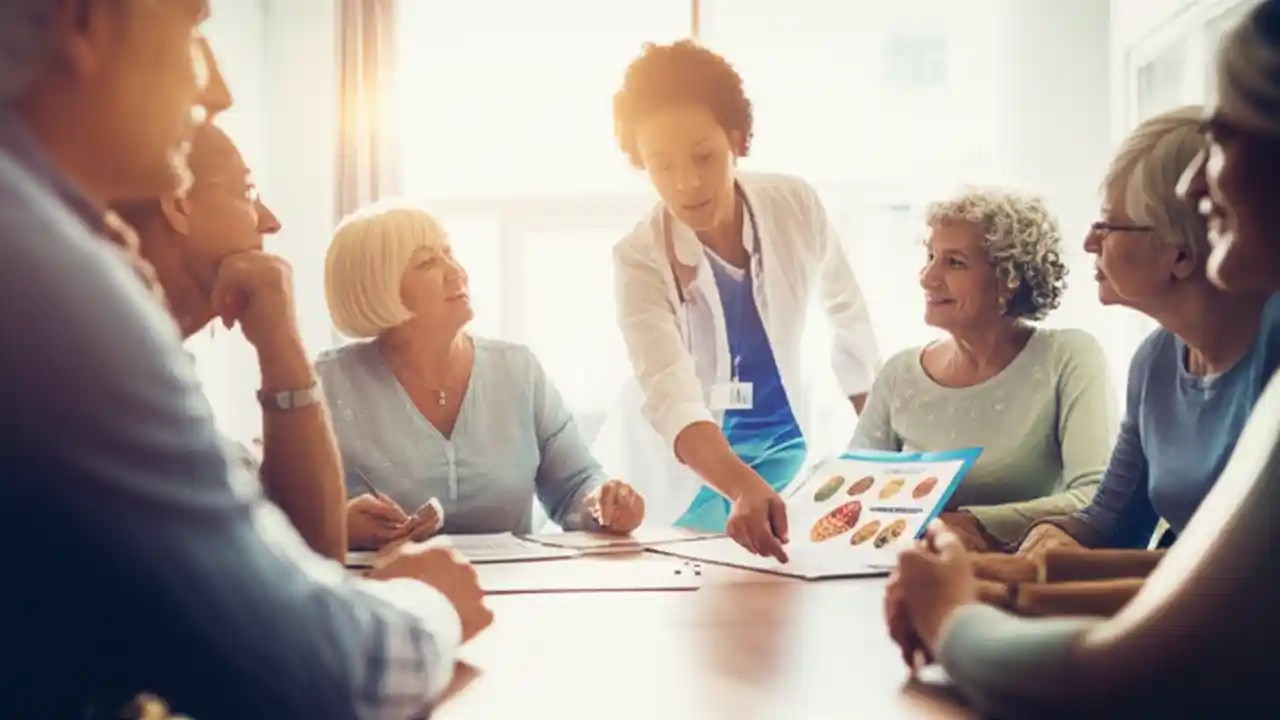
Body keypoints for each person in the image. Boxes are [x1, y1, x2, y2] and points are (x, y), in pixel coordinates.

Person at [0, 1, 489, 716]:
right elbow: (309, 673)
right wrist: (428, 602)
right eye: (192, 28)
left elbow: (275, 557)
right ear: (85, 24)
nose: (216, 90)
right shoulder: (40, 275)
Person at [884, 3, 1280, 716]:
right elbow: (1154, 557)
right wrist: (998, 583)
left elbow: (1125, 657)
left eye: (1226, 141)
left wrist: (958, 613)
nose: (1199, 184)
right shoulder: (1157, 359)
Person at [610, 40, 880, 561]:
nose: (685, 183)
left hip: (789, 452)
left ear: (737, 138)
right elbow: (671, 395)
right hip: (695, 474)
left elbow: (850, 323)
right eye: (660, 165)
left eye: (704, 156)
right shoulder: (639, 258)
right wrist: (738, 486)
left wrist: (885, 451)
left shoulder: (794, 205)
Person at [1018, 107, 1280, 562]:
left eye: (1108, 223)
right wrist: (1044, 539)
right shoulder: (1154, 358)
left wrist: (1036, 582)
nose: (1088, 242)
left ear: (1179, 252)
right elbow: (1114, 523)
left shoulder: (1272, 347)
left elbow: (1252, 574)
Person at [318, 202, 646, 550]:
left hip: (512, 598)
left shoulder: (517, 370)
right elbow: (277, 522)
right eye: (427, 263)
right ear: (377, 287)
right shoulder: (327, 384)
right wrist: (334, 526)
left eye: (449, 254)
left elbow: (575, 485)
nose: (456, 272)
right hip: (383, 596)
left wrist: (606, 504)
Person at [114, 122, 347, 561]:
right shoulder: (109, 384)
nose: (270, 221)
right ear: (180, 203)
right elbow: (315, 560)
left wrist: (279, 344)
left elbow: (308, 557)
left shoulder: (159, 367)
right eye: (248, 192)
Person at [850, 188, 1117, 551]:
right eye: (930, 257)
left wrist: (971, 523)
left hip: (1027, 580)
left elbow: (1093, 495)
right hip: (906, 574)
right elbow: (852, 493)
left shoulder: (1068, 356)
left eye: (955, 262)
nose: (928, 277)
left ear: (1009, 278)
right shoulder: (899, 373)